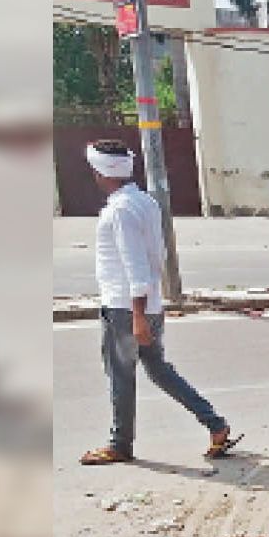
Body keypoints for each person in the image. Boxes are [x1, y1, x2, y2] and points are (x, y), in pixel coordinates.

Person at [80, 140, 239, 464]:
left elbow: (136, 265)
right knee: (159, 371)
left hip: (126, 308)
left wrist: (137, 316)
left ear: (101, 172)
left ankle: (119, 444)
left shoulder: (120, 210)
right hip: (148, 306)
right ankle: (215, 424)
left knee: (121, 377)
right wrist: (148, 309)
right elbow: (158, 257)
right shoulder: (146, 203)